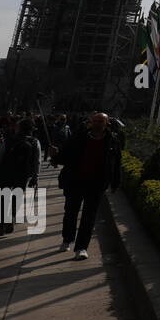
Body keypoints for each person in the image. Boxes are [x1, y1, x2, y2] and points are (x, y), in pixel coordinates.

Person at [53, 111, 122, 259]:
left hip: (96, 184)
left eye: (100, 121)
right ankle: (67, 239)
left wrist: (115, 182)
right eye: (95, 121)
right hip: (75, 181)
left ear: (106, 124)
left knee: (89, 217)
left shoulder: (112, 141)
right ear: (90, 122)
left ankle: (82, 247)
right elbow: (65, 155)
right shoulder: (79, 138)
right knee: (71, 212)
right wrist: (55, 155)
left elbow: (116, 164)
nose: (97, 124)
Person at [0, 118, 40, 235]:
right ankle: (11, 217)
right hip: (23, 174)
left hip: (6, 173)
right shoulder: (35, 142)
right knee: (17, 197)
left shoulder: (8, 140)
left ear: (19, 128)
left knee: (4, 198)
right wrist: (35, 176)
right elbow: (37, 161)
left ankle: (1, 226)